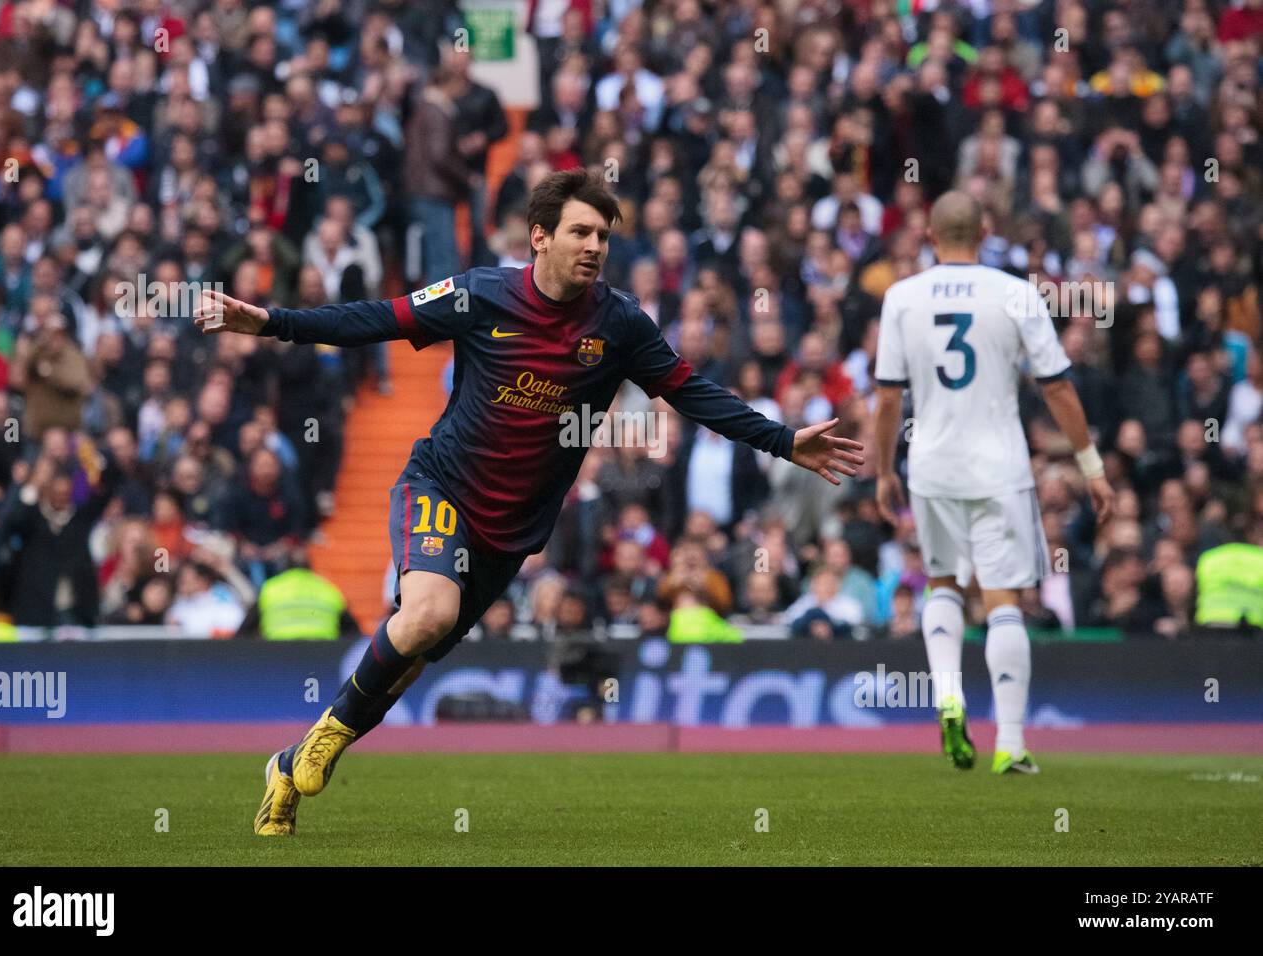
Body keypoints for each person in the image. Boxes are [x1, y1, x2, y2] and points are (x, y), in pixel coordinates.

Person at [198, 169, 865, 836]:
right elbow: (381, 317)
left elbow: (690, 391)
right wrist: (272, 323)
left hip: (510, 534)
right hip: (440, 487)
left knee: (407, 664)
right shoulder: (480, 294)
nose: (595, 245)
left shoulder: (621, 323)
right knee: (428, 614)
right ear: (540, 236)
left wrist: (781, 441)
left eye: (603, 235)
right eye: (580, 231)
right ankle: (319, 741)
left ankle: (288, 766)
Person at [873, 190, 1115, 776]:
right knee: (1005, 598)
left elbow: (886, 396)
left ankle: (948, 694)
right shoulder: (1015, 292)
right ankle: (1010, 743)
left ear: (931, 236)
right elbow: (1055, 385)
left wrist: (883, 470)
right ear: (983, 232)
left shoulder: (902, 297)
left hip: (931, 464)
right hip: (1001, 467)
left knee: (943, 583)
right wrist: (1091, 467)